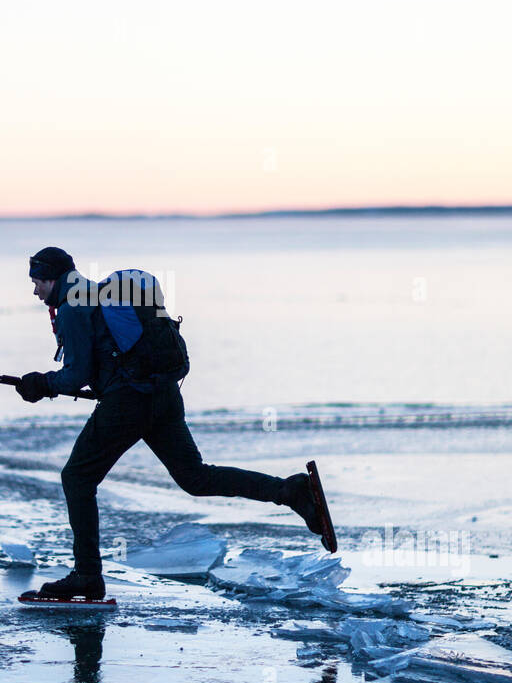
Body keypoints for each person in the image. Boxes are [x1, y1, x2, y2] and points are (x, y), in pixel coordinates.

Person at [17, 246, 332, 601]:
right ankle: (289, 490)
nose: (35, 291)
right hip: (162, 394)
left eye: (37, 281)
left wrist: (41, 384)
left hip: (129, 402)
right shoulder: (94, 294)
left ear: (53, 278)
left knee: (76, 477)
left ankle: (87, 575)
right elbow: (103, 363)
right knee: (195, 478)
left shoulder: (74, 306)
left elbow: (77, 375)